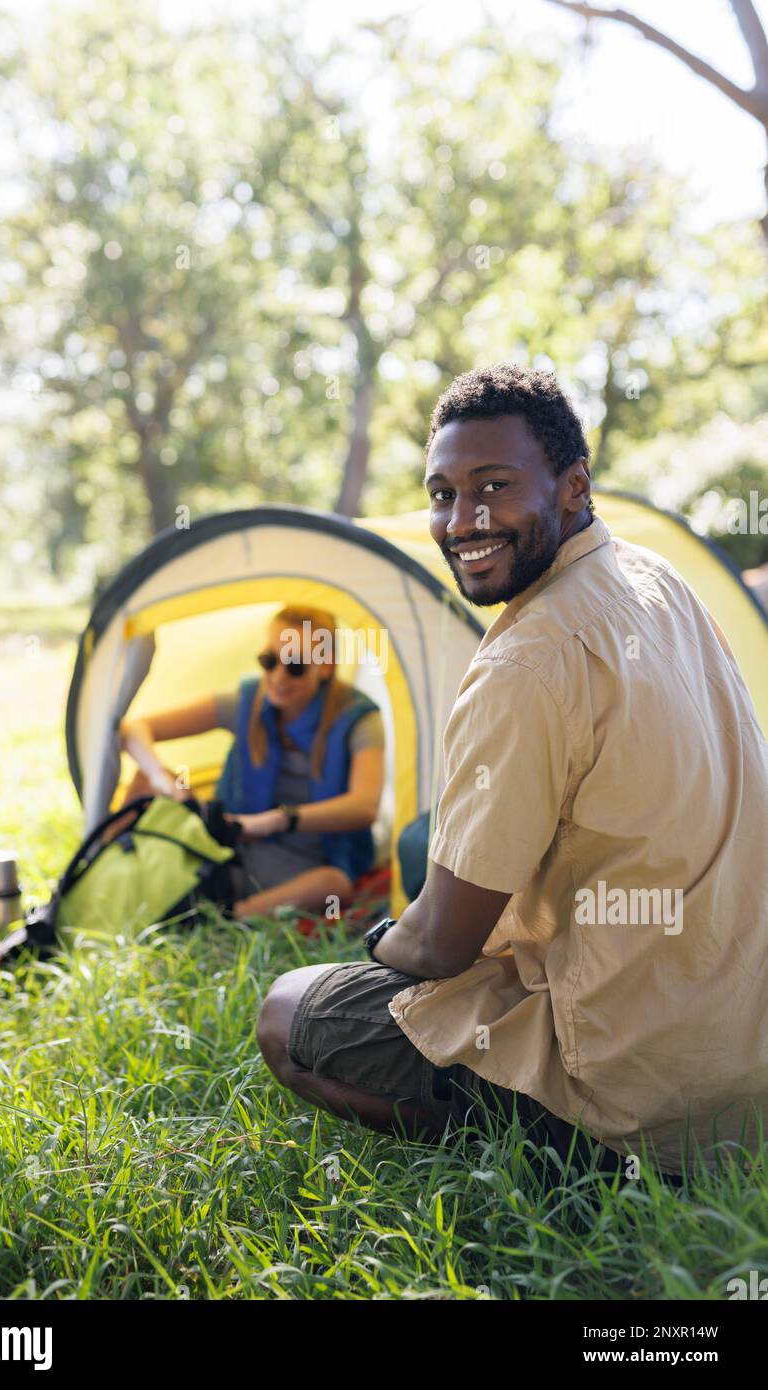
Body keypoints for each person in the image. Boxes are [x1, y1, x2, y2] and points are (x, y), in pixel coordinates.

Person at [257, 363, 768, 1185]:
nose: (463, 520)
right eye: (442, 494)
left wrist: (385, 938)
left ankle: (570, 1159)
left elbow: (440, 944)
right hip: (745, 1051)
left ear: (572, 487)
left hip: (641, 1083)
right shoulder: (656, 578)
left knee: (288, 1014)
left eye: (493, 486)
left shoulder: (528, 662)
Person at [117, 605, 385, 920]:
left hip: (300, 859)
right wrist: (166, 782)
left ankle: (228, 917)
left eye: (295, 666)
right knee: (144, 779)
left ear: (326, 666)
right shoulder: (247, 700)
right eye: (268, 661)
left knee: (333, 885)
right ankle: (105, 865)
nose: (277, 677)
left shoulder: (359, 718)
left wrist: (275, 820)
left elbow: (365, 807)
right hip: (229, 838)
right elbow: (133, 729)